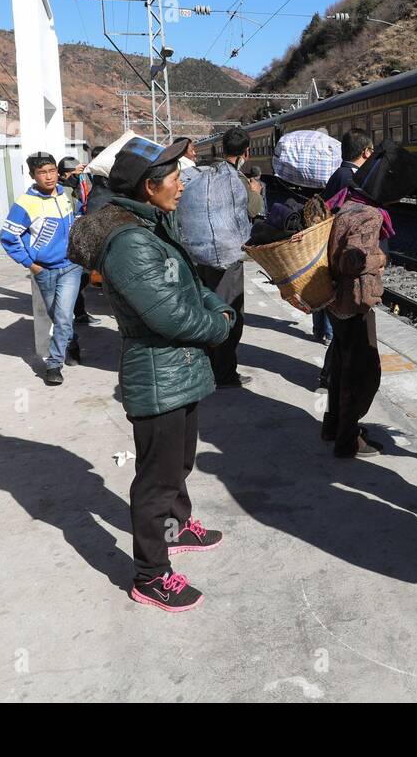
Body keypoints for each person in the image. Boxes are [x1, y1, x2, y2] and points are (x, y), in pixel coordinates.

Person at [66, 135, 236, 612]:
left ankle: (176, 527)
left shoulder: (153, 224)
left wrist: (217, 306)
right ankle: (150, 575)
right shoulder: (130, 243)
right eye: (176, 178)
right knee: (155, 479)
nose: (182, 185)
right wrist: (219, 327)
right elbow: (169, 316)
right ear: (149, 186)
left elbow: (190, 285)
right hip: (159, 373)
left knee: (178, 463)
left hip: (178, 369)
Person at [321, 140, 417, 458]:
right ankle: (348, 438)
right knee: (363, 371)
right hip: (353, 302)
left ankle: (334, 425)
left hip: (334, 301)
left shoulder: (347, 202)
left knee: (341, 365)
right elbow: (350, 261)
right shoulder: (368, 215)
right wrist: (378, 261)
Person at [176, 126, 263, 388]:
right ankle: (224, 372)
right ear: (246, 152)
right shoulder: (237, 179)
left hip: (197, 255)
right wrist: (256, 191)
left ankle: (207, 363)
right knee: (229, 312)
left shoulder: (199, 173)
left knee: (204, 308)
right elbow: (253, 210)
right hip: (227, 259)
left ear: (221, 149)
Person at [0, 152, 82, 385]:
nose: (49, 177)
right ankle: (72, 341)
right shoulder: (24, 204)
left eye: (52, 171)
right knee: (59, 315)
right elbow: (8, 237)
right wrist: (31, 265)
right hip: (44, 270)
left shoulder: (65, 195)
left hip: (71, 267)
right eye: (42, 172)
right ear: (32, 175)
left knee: (63, 315)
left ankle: (53, 364)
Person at [313, 130, 374, 349]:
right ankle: (328, 334)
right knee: (336, 293)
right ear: (366, 152)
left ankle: (321, 329)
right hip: (339, 246)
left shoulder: (339, 174)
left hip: (329, 242)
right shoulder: (351, 179)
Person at [58, 156, 98, 329]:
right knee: (74, 281)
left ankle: (79, 313)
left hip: (77, 239)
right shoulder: (60, 189)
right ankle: (72, 314)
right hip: (66, 243)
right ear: (65, 174)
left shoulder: (75, 187)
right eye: (72, 173)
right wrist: (73, 178)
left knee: (80, 279)